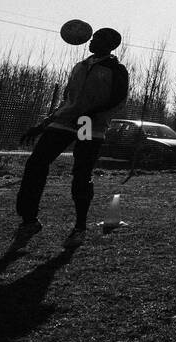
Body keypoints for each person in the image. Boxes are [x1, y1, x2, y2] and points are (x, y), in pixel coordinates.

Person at [14, 27, 128, 249]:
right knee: (36, 163)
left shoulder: (116, 70)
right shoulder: (80, 66)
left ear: (111, 45)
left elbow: (117, 101)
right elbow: (68, 100)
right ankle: (29, 221)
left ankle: (79, 227)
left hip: (88, 125)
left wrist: (90, 115)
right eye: (93, 37)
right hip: (64, 122)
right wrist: (44, 123)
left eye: (98, 38)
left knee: (81, 173)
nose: (92, 40)